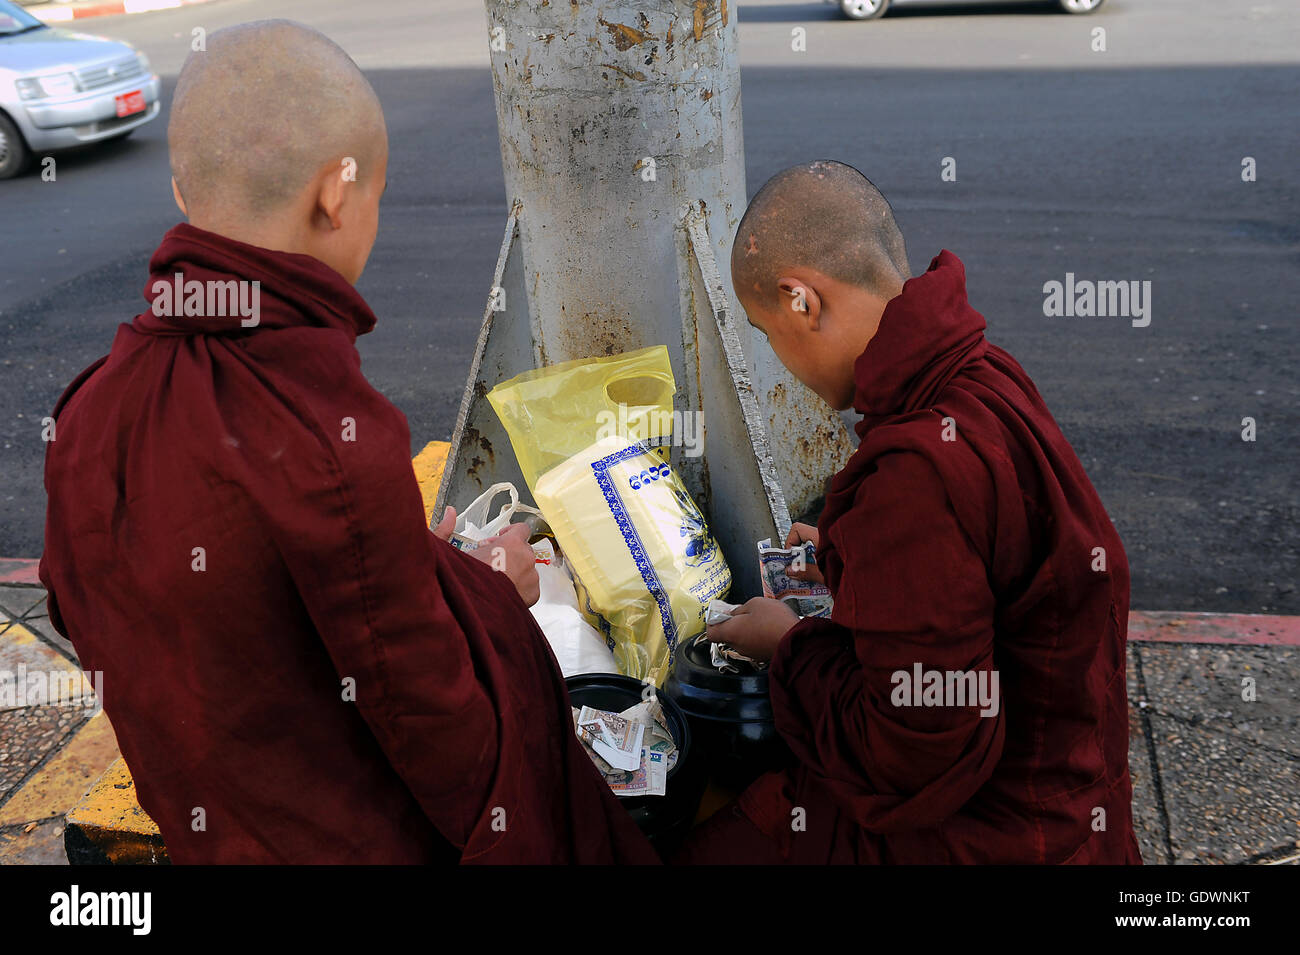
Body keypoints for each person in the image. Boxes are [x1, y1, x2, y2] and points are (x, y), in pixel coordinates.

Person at [38, 19, 657, 865]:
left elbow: (119, 609)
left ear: (184, 195)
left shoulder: (88, 412)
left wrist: (428, 572)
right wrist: (491, 603)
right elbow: (453, 745)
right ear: (337, 192)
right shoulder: (322, 433)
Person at [679, 160, 1141, 864]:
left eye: (767, 332)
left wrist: (791, 648)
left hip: (997, 837)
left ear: (801, 299)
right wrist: (852, 556)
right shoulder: (984, 375)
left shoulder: (913, 479)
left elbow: (910, 753)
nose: (777, 359)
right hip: (1078, 795)